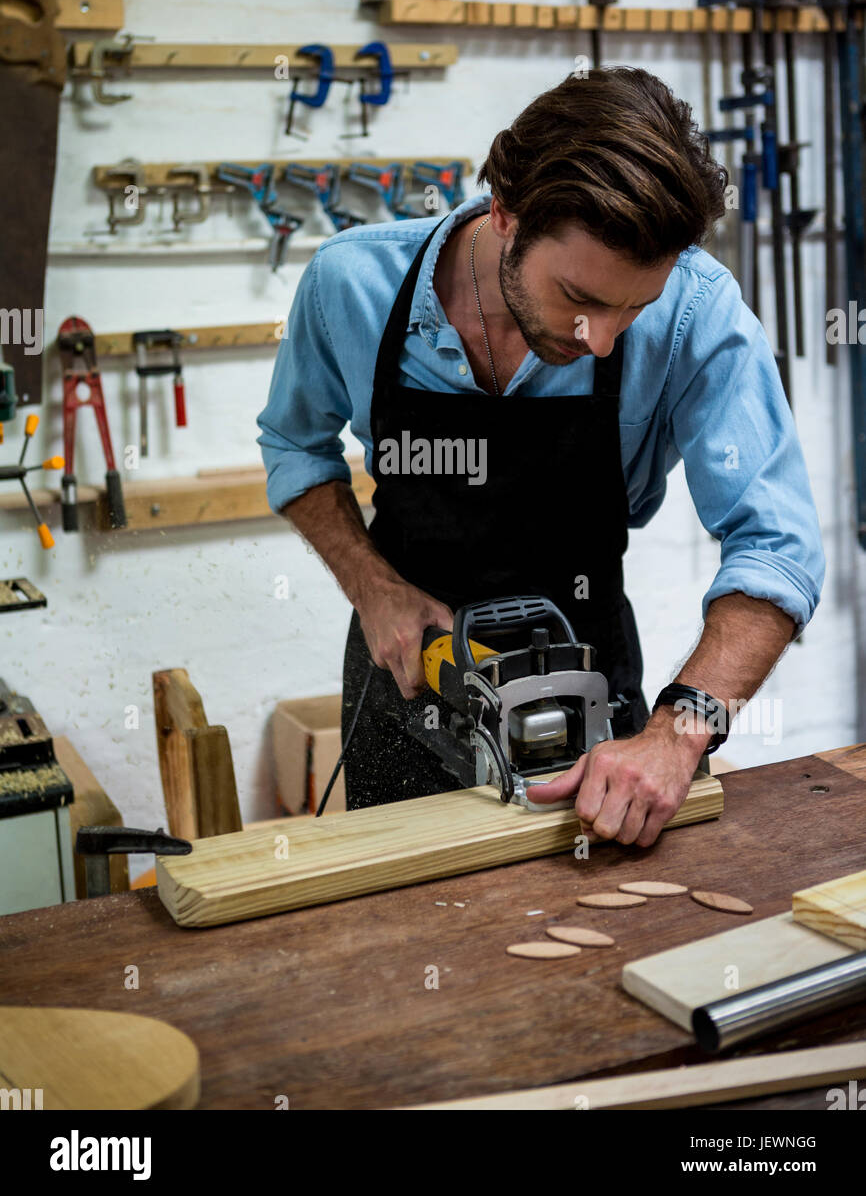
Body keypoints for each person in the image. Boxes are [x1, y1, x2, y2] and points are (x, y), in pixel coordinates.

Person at [257, 66, 824, 847]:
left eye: (635, 307)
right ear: (505, 213)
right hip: (407, 688)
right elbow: (295, 445)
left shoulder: (698, 308)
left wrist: (677, 733)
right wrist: (372, 586)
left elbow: (779, 546)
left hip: (585, 710)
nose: (605, 339)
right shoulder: (351, 285)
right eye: (581, 300)